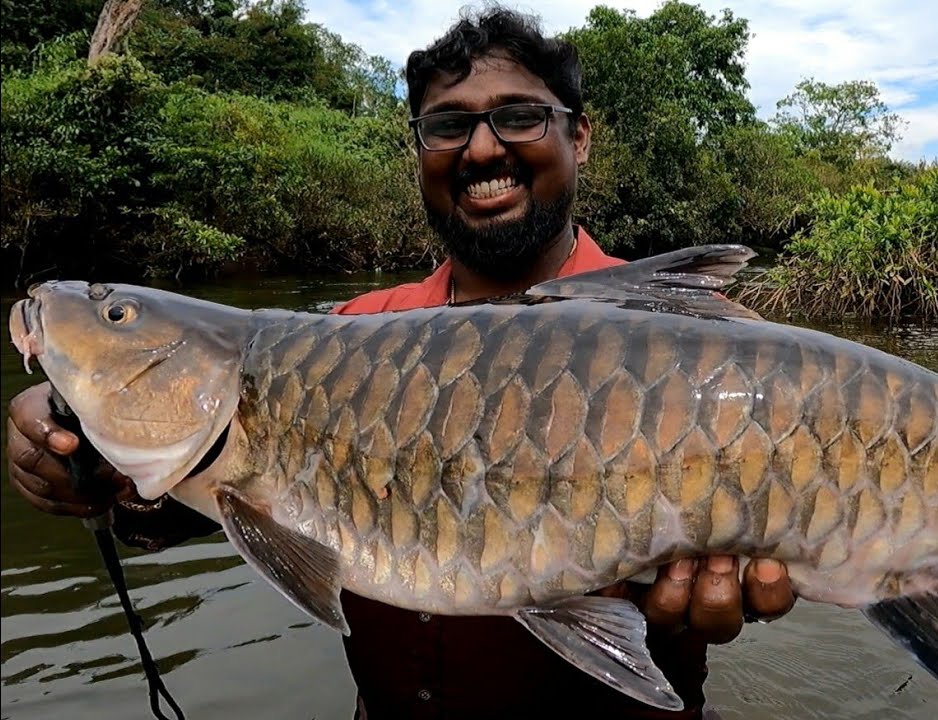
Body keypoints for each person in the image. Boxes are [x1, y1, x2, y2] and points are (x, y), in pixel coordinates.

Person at [4, 7, 796, 719]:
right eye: (447, 126)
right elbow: (203, 493)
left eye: (519, 118)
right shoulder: (347, 334)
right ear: (420, 150)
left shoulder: (702, 348)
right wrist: (90, 465)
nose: (483, 148)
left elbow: (770, 570)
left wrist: (774, 565)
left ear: (578, 137)